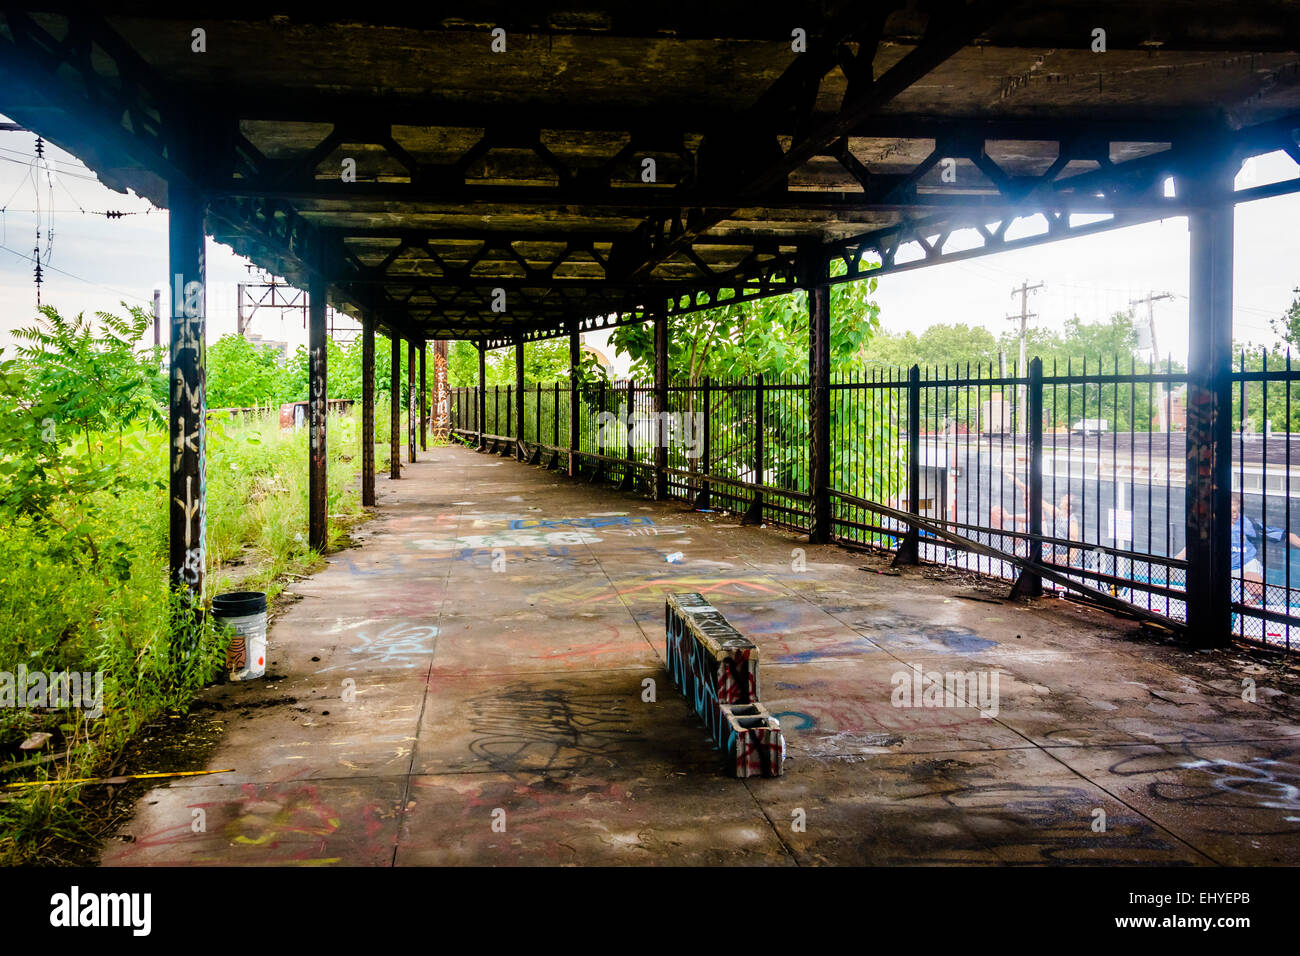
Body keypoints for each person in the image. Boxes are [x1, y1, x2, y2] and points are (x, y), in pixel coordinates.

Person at [1175, 497, 1300, 606]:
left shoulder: (1249, 524)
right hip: (1226, 570)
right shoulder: (1212, 524)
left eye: (1237, 511)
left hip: (1247, 566)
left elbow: (1285, 535)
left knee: (1253, 595)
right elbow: (1195, 543)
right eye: (1231, 511)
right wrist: (1178, 558)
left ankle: (1276, 606)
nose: (1235, 514)